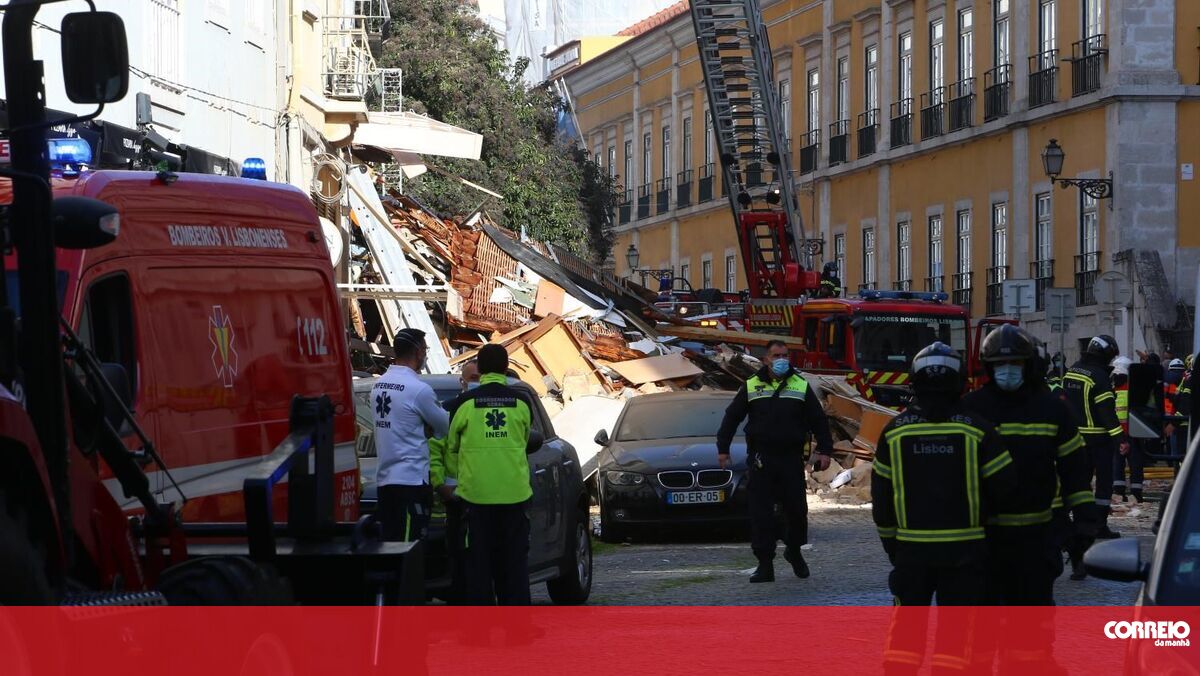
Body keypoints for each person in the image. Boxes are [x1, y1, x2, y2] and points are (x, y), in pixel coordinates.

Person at [874, 342, 1017, 675]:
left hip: (910, 553)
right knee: (956, 636)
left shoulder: (894, 431)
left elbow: (881, 502)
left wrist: (892, 545)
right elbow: (1006, 488)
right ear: (960, 381)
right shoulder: (979, 429)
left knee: (905, 634)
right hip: (965, 554)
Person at [962, 327, 1093, 608]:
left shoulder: (1052, 409)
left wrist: (1084, 521)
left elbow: (1075, 469)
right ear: (989, 367)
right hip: (985, 538)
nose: (1007, 370)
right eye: (1000, 364)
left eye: (1015, 363)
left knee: (1033, 625)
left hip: (1039, 535)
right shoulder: (971, 409)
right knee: (984, 624)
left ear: (1028, 365)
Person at [716, 339, 834, 583]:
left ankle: (794, 551)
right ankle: (765, 563)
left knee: (797, 510)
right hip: (761, 458)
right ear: (766, 359)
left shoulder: (800, 385)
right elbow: (732, 417)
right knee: (761, 513)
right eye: (776, 356)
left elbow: (818, 420)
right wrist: (723, 449)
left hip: (791, 458)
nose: (782, 360)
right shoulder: (752, 385)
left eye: (785, 355)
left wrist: (825, 450)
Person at [444, 344, 538, 605]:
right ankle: (516, 630)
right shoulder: (522, 402)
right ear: (507, 369)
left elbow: (451, 447)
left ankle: (479, 633)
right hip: (515, 497)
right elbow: (524, 437)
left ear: (481, 369)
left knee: (477, 565)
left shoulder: (464, 404)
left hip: (475, 499)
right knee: (515, 565)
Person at [371, 328, 450, 542]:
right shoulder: (418, 390)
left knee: (390, 544)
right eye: (425, 349)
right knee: (408, 550)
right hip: (411, 480)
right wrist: (426, 428)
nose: (425, 355)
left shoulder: (378, 386)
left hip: (385, 480)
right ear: (417, 352)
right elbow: (445, 427)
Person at [1062, 335, 1125, 542]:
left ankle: (1067, 521)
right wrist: (1121, 439)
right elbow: (1107, 413)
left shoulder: (1073, 370)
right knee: (1104, 485)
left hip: (1075, 438)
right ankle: (1099, 525)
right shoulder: (1099, 377)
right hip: (1098, 439)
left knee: (1078, 482)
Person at [428, 360, 480, 604]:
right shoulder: (448, 412)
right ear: (462, 382)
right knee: (459, 562)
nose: (474, 383)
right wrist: (440, 485)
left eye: (479, 378)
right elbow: (434, 453)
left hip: (484, 498)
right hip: (455, 502)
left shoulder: (489, 410)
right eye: (471, 378)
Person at [1110, 356, 1144, 503]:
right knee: (1135, 463)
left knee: (1117, 463)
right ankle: (1136, 493)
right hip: (1132, 431)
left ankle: (1118, 492)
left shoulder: (1110, 386)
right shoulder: (1134, 388)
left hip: (1116, 432)